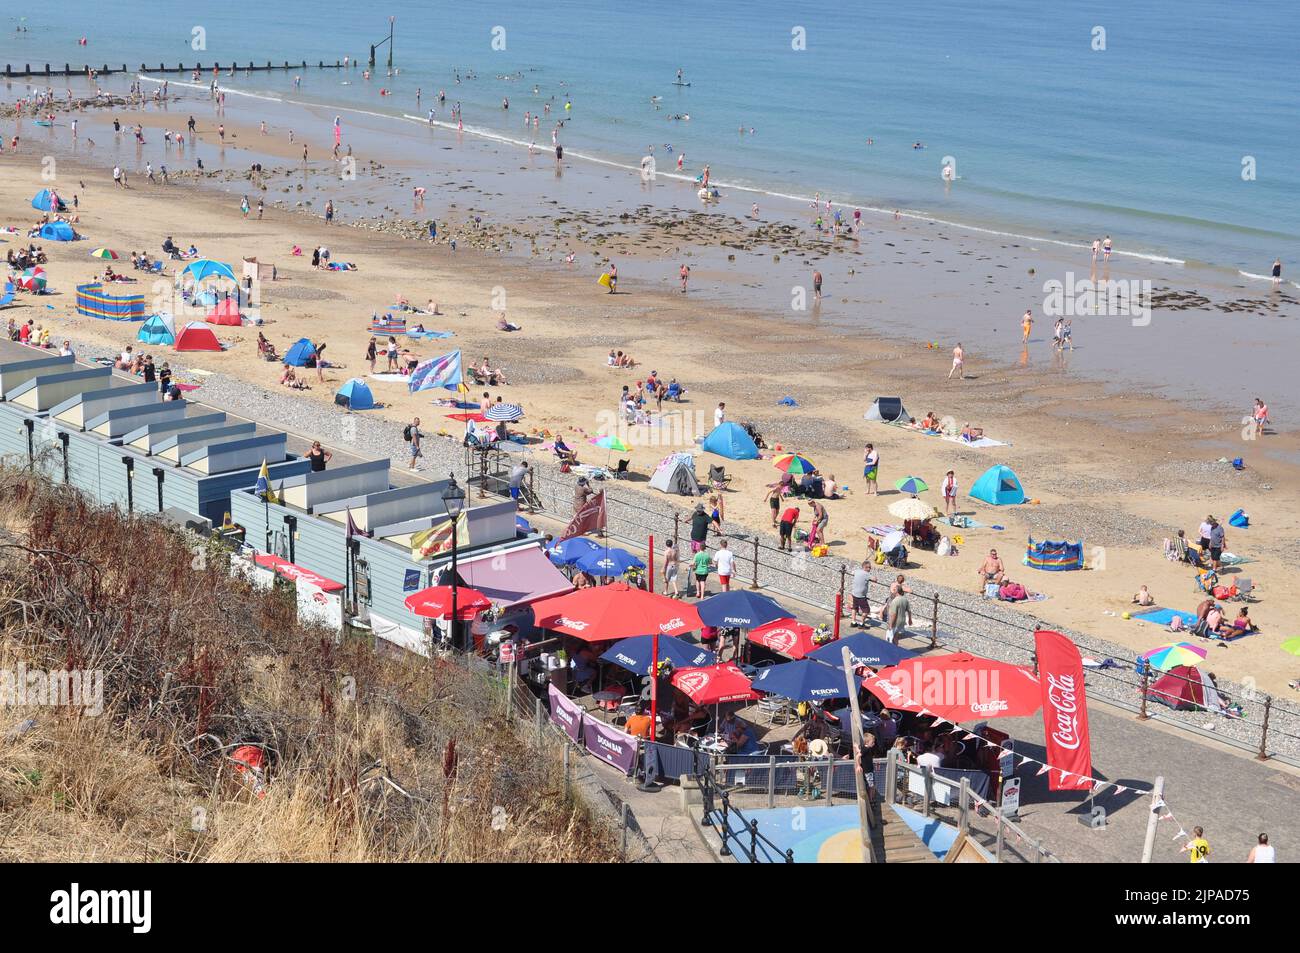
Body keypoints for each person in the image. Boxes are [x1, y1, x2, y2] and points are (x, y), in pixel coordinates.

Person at [850, 561, 871, 626]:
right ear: (865, 567)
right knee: (866, 610)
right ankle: (861, 623)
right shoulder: (866, 574)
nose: (870, 569)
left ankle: (853, 622)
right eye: (869, 567)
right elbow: (875, 579)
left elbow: (852, 572)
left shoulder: (857, 571)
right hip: (861, 596)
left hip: (854, 593)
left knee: (854, 608)